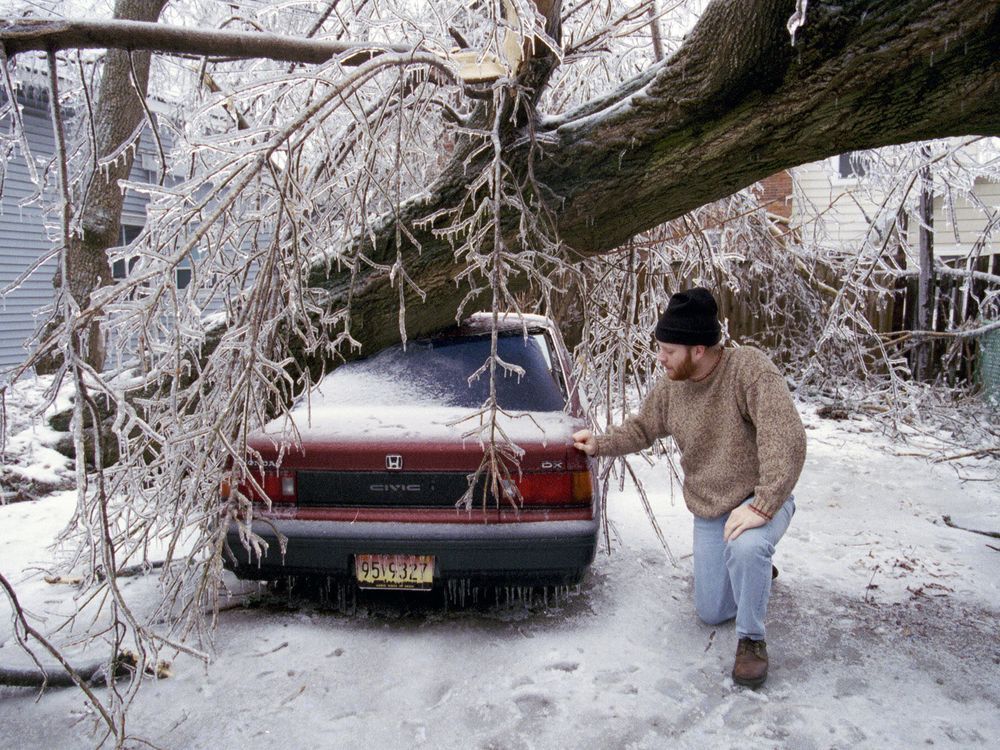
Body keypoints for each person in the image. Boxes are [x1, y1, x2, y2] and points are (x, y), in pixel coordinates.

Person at [572, 287, 806, 688]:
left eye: (668, 349)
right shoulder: (671, 386)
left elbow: (785, 437)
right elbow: (643, 427)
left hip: (760, 497)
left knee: (748, 547)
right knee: (710, 611)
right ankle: (755, 574)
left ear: (699, 349)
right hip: (711, 508)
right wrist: (601, 444)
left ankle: (751, 640)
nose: (659, 357)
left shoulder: (748, 370)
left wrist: (764, 504)